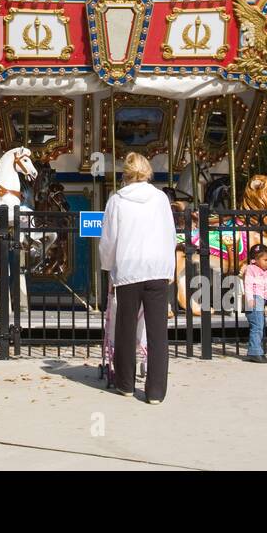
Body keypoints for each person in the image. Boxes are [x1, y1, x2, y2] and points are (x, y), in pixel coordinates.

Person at [98, 152, 175, 404]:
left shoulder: (117, 201)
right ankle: (155, 391)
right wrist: (170, 268)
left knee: (126, 326)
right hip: (157, 268)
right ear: (148, 172)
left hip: (129, 268)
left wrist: (108, 266)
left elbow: (109, 238)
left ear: (126, 173)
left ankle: (126, 384)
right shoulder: (161, 198)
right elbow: (170, 234)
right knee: (157, 331)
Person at [241, 244, 267, 363]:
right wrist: (250, 300)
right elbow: (248, 285)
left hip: (259, 299)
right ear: (255, 259)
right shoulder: (251, 269)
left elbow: (265, 276)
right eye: (265, 260)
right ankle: (255, 352)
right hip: (254, 300)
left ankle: (255, 351)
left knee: (259, 326)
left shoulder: (260, 270)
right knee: (257, 327)